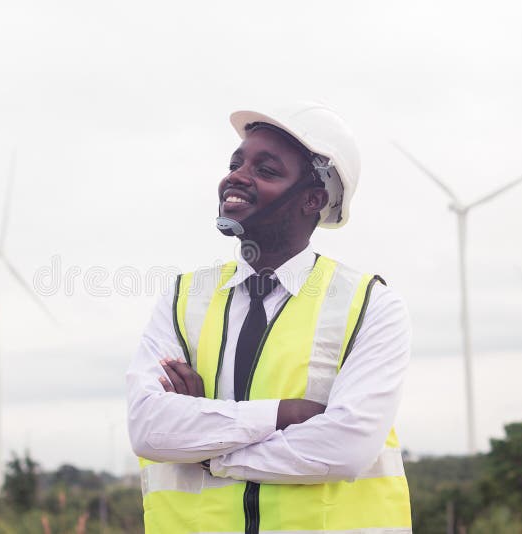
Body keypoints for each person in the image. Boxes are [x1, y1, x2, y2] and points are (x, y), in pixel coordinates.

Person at [126, 101, 412, 533]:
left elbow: (345, 448)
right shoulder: (182, 299)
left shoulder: (371, 305)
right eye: (236, 162)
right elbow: (150, 429)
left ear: (313, 199)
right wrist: (283, 415)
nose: (235, 177)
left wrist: (206, 448)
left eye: (267, 169)